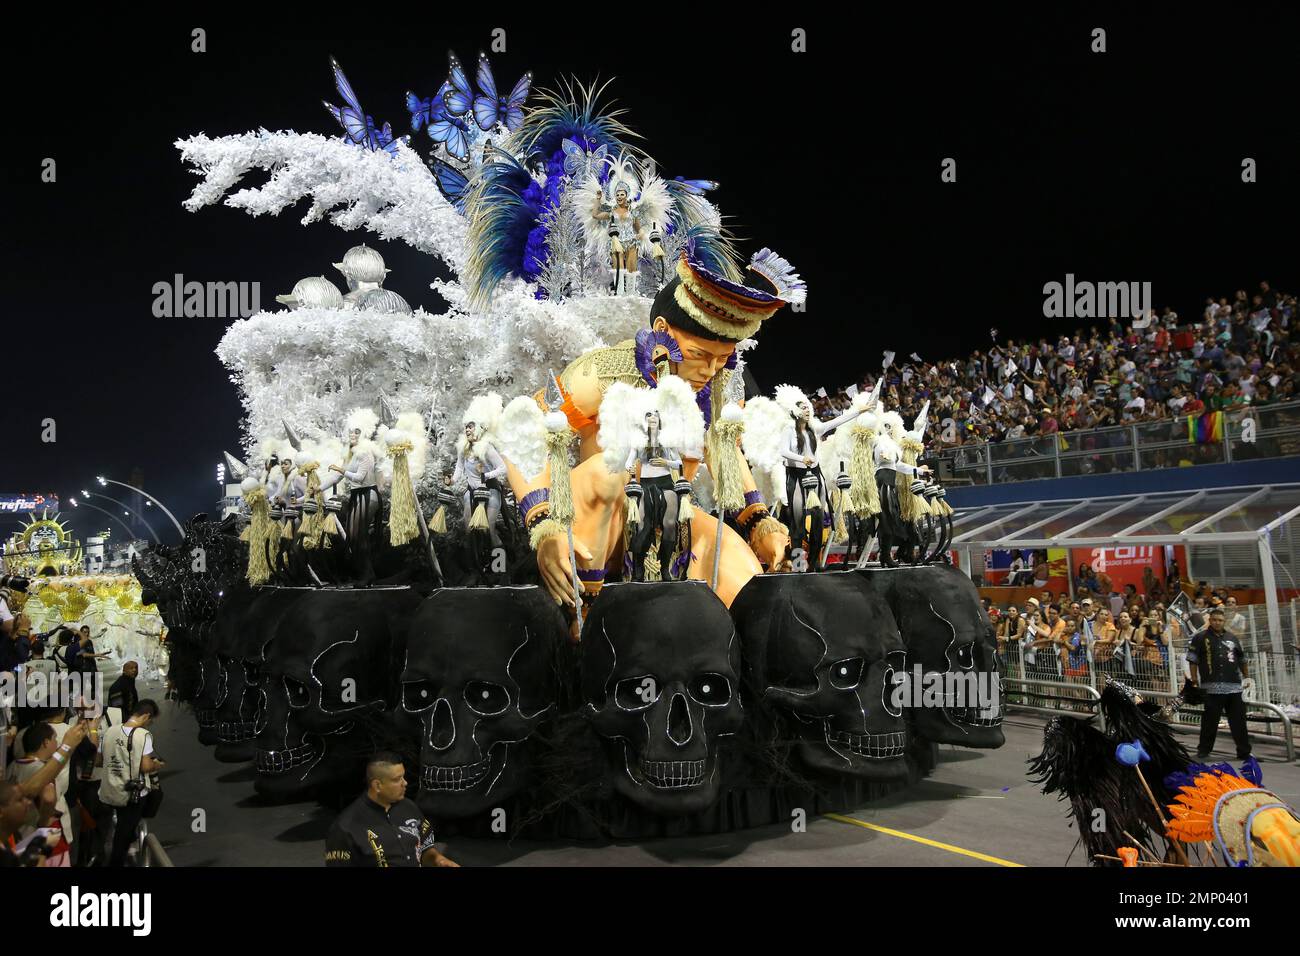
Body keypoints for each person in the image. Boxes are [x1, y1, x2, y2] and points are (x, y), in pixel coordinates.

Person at [325, 752, 457, 867]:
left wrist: (438, 859)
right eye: (397, 779)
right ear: (377, 785)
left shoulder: (409, 807)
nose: (405, 783)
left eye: (403, 777)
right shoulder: (345, 828)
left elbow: (424, 849)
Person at [97, 699, 164, 866]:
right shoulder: (143, 735)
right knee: (124, 833)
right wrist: (157, 764)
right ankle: (116, 863)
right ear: (146, 716)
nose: (149, 724)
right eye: (150, 720)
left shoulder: (109, 731)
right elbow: (146, 765)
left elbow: (98, 761)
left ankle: (129, 842)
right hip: (133, 793)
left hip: (110, 789)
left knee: (122, 824)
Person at [1187, 608, 1253, 760]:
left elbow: (1242, 659)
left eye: (1220, 620)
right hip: (1211, 688)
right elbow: (1192, 660)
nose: (1217, 622)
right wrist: (1194, 680)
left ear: (1224, 622)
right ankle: (1204, 750)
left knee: (1239, 722)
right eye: (1214, 620)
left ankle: (1244, 752)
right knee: (1210, 722)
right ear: (1210, 620)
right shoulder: (1200, 638)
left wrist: (1247, 678)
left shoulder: (1233, 638)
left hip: (1234, 687)